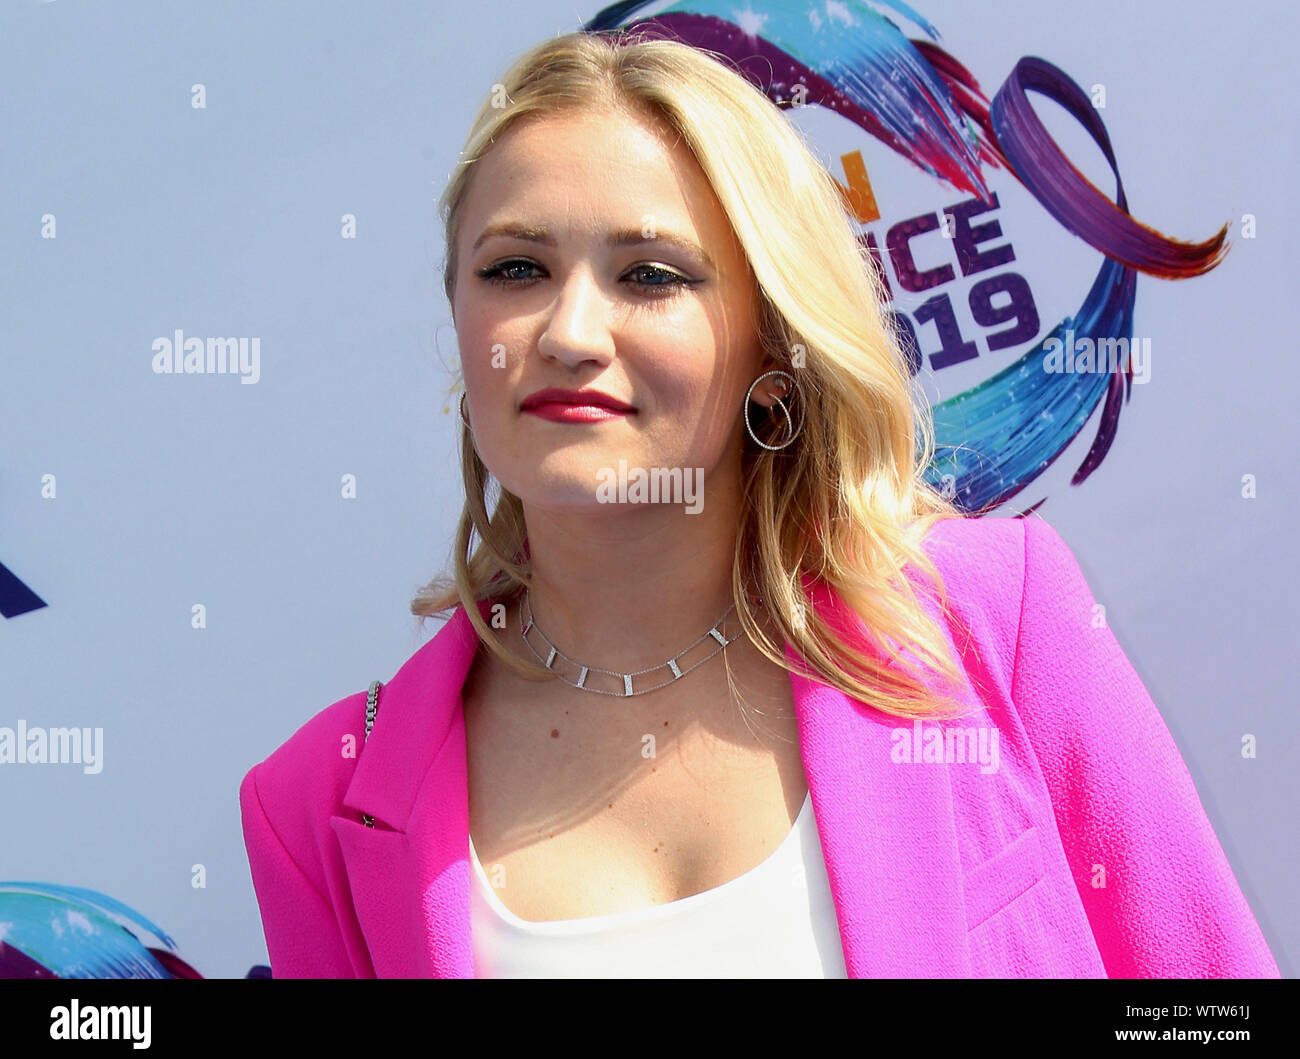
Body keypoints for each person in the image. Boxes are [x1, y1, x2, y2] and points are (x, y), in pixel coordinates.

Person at [239, 29, 1280, 979]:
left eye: (649, 275)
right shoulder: (318, 802)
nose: (568, 332)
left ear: (771, 351)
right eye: (515, 267)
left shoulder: (990, 619)